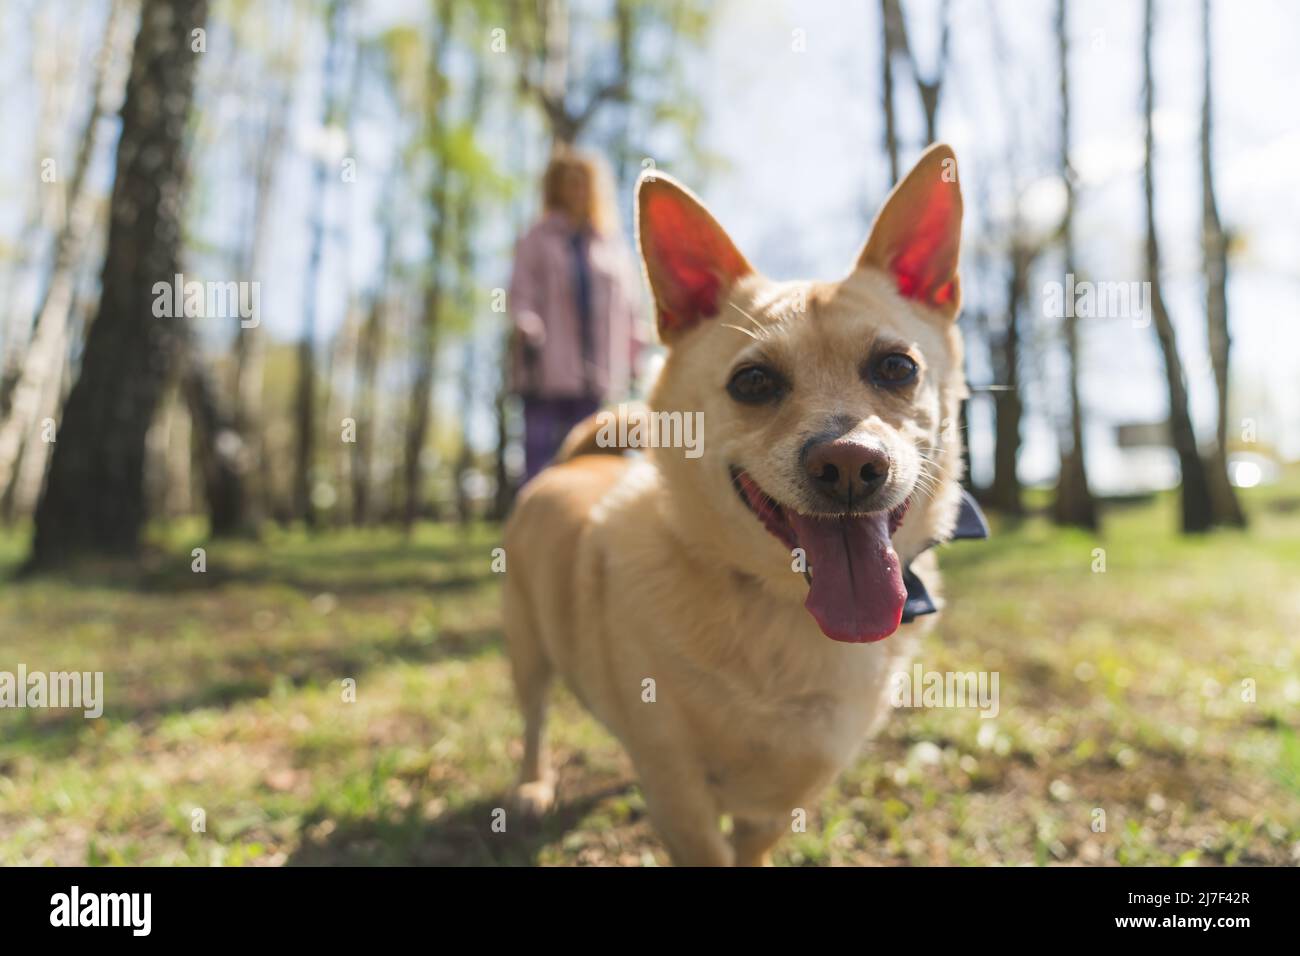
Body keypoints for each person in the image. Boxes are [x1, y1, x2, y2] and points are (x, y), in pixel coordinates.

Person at [508, 148, 644, 484]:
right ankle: (532, 532)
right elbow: (520, 292)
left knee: (592, 459)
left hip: (597, 377)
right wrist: (527, 323)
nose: (576, 191)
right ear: (556, 188)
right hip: (546, 371)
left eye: (583, 183)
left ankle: (584, 533)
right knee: (540, 459)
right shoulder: (537, 238)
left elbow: (629, 308)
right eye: (569, 183)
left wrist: (636, 354)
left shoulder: (612, 245)